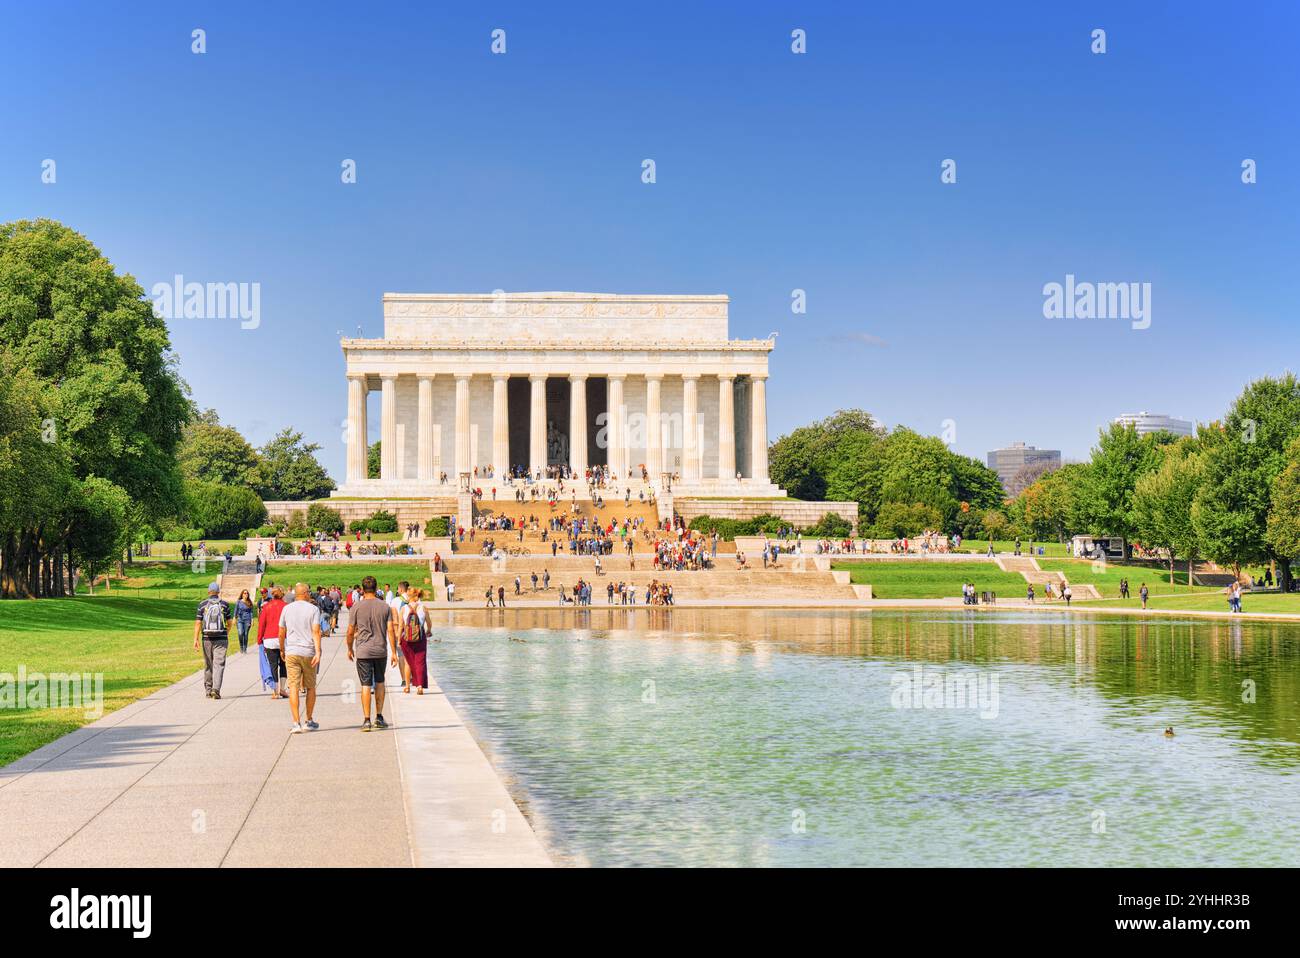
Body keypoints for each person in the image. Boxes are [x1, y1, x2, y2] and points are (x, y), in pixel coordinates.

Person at [346, 575, 397, 732]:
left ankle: (367, 720)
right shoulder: (385, 607)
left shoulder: (356, 607)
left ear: (362, 589)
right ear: (376, 588)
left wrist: (349, 648)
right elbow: (390, 630)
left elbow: (350, 631)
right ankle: (379, 717)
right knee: (380, 682)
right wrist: (394, 652)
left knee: (366, 684)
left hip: (363, 651)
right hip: (380, 650)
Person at [279, 583, 323, 733]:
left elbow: (281, 631)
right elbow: (316, 631)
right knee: (310, 687)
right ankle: (308, 720)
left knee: (293, 687)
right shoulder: (313, 609)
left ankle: (296, 722)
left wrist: (282, 649)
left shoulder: (286, 609)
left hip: (292, 651)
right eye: (308, 592)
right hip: (308, 651)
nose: (310, 594)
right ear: (304, 593)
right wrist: (318, 651)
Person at [194, 582, 232, 699]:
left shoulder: (202, 605)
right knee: (219, 664)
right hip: (221, 639)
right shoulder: (224, 605)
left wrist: (195, 639)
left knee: (208, 664)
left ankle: (208, 690)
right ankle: (216, 689)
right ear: (218, 592)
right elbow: (230, 622)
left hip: (207, 639)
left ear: (208, 591)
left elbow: (198, 623)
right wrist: (226, 632)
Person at [258, 585, 288, 697]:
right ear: (282, 594)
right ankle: (282, 689)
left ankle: (275, 690)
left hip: (269, 639)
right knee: (283, 664)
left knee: (273, 665)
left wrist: (259, 639)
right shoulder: (286, 607)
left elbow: (262, 624)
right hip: (283, 638)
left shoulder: (266, 607)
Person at [399, 587, 429, 695]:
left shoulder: (404, 609)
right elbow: (429, 623)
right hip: (420, 638)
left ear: (409, 596)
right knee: (420, 662)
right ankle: (420, 687)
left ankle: (407, 687)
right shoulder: (423, 608)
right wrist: (429, 631)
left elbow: (401, 626)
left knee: (408, 663)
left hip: (407, 639)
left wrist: (398, 639)